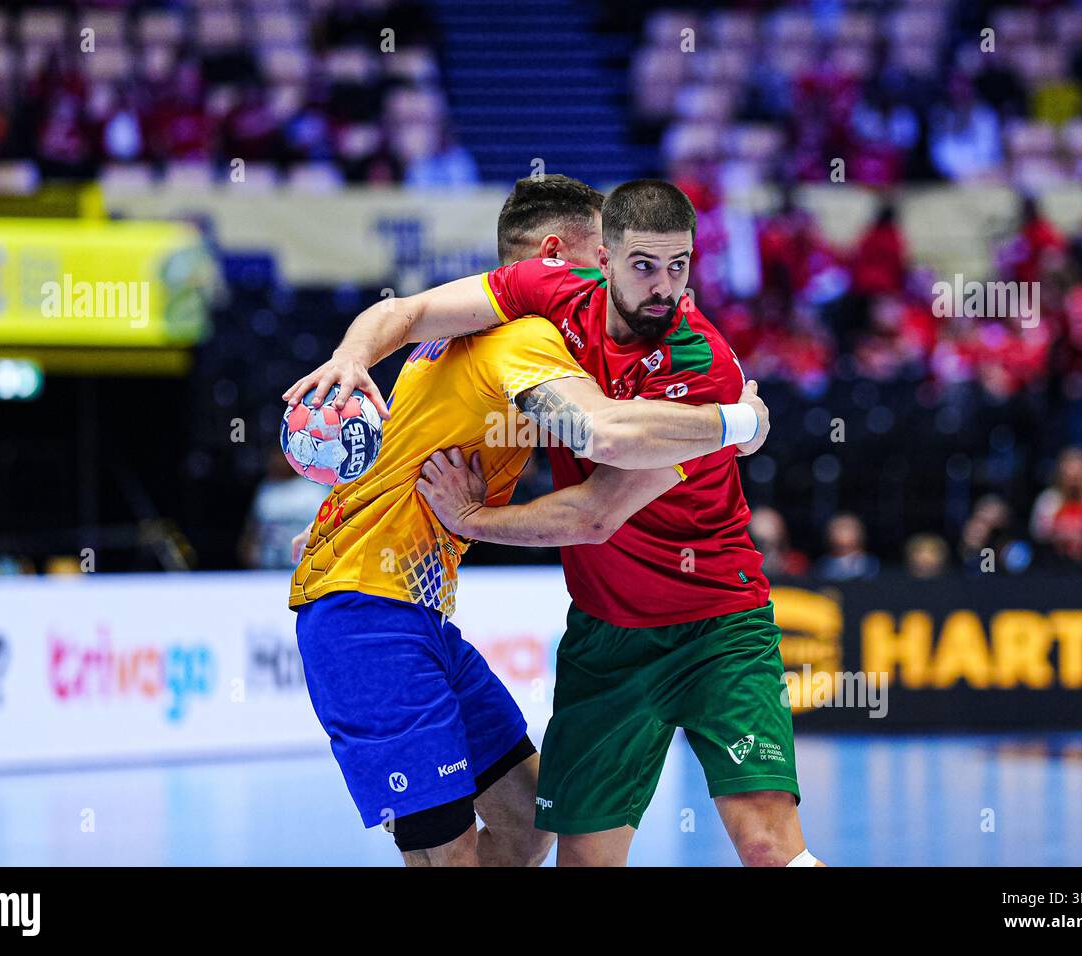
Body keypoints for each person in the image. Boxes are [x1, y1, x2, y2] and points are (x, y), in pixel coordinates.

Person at [294, 179, 821, 867]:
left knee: (527, 822)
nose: (659, 283)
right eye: (626, 259)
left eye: (678, 265)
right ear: (562, 258)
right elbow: (600, 435)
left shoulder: (680, 355)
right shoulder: (531, 333)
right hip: (373, 613)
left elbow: (411, 328)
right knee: (450, 855)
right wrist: (740, 422)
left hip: (703, 618)